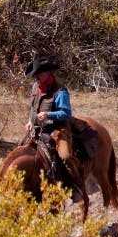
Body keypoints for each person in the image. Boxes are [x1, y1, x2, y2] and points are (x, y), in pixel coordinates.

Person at [22, 56, 82, 197]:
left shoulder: (60, 91)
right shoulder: (35, 87)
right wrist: (30, 121)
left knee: (65, 157)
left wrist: (49, 115)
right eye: (36, 74)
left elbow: (66, 113)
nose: (37, 77)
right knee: (20, 149)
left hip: (58, 129)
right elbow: (33, 108)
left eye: (40, 73)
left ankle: (76, 186)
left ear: (48, 72)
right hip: (38, 129)